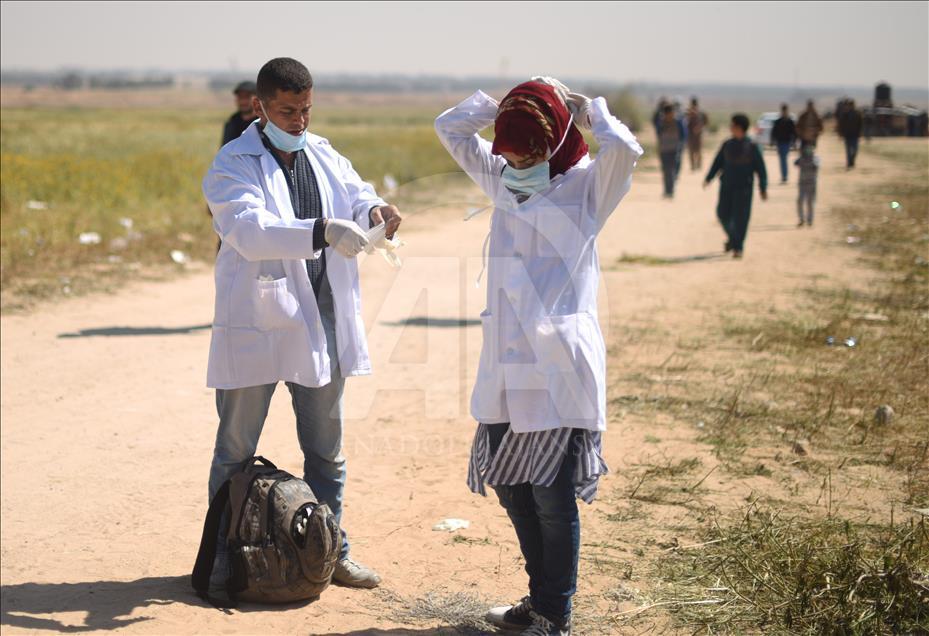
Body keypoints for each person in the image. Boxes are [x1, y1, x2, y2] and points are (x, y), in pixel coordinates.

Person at [435, 77, 642, 636]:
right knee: (510, 485)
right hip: (505, 367)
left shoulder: (587, 189)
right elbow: (450, 130)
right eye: (510, 149)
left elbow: (624, 150)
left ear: (555, 141)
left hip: (556, 371)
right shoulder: (502, 181)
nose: (518, 160)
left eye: (530, 150)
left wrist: (588, 111)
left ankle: (556, 613)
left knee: (552, 498)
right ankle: (538, 599)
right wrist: (498, 102)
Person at [200, 57, 402, 605]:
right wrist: (319, 229)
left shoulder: (323, 151)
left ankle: (330, 552)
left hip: (323, 321)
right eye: (287, 110)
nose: (299, 120)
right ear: (260, 106)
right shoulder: (232, 162)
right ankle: (222, 558)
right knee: (235, 450)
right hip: (260, 325)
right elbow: (247, 229)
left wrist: (374, 208)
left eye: (306, 108)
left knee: (326, 453)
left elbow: (356, 192)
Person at [704, 113, 768, 259]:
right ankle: (734, 240)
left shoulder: (752, 147)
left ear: (739, 127)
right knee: (722, 214)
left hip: (744, 189)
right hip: (727, 186)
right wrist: (709, 178)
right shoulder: (727, 144)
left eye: (732, 125)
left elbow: (761, 169)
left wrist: (763, 188)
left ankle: (738, 247)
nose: (730, 127)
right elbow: (718, 162)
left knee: (741, 218)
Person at [657, 103, 686, 198]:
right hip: (664, 149)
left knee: (672, 170)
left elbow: (683, 135)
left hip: (674, 149)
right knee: (666, 170)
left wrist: (680, 146)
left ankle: (671, 190)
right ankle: (667, 190)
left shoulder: (678, 122)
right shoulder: (661, 123)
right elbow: (658, 134)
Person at [221, 81, 259, 146]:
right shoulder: (232, 123)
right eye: (240, 97)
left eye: (247, 97)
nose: (243, 101)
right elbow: (224, 150)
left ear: (257, 99)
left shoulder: (264, 123)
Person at [770, 103, 796, 183]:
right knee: (782, 159)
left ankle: (784, 176)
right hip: (780, 142)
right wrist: (772, 141)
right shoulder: (778, 121)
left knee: (783, 158)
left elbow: (794, 132)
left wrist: (794, 142)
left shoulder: (790, 121)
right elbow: (774, 132)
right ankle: (784, 176)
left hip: (787, 142)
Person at [794, 145, 819, 227]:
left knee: (810, 202)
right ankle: (801, 219)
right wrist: (802, 157)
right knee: (800, 201)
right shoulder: (801, 158)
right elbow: (795, 163)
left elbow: (816, 166)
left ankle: (810, 220)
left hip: (811, 183)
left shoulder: (815, 158)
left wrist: (810, 158)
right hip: (802, 183)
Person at [685, 97, 709, 171]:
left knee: (698, 151)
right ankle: (693, 165)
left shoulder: (701, 113)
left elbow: (706, 122)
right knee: (691, 150)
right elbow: (685, 122)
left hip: (698, 134)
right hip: (691, 134)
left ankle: (698, 165)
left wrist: (699, 128)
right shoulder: (688, 112)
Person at [838, 99, 863, 169]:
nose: (851, 107)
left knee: (855, 150)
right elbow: (841, 124)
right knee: (848, 150)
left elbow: (860, 124)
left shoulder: (857, 114)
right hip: (847, 135)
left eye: (852, 105)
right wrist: (841, 133)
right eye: (850, 105)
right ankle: (849, 163)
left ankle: (852, 160)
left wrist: (860, 132)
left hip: (855, 135)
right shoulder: (845, 114)